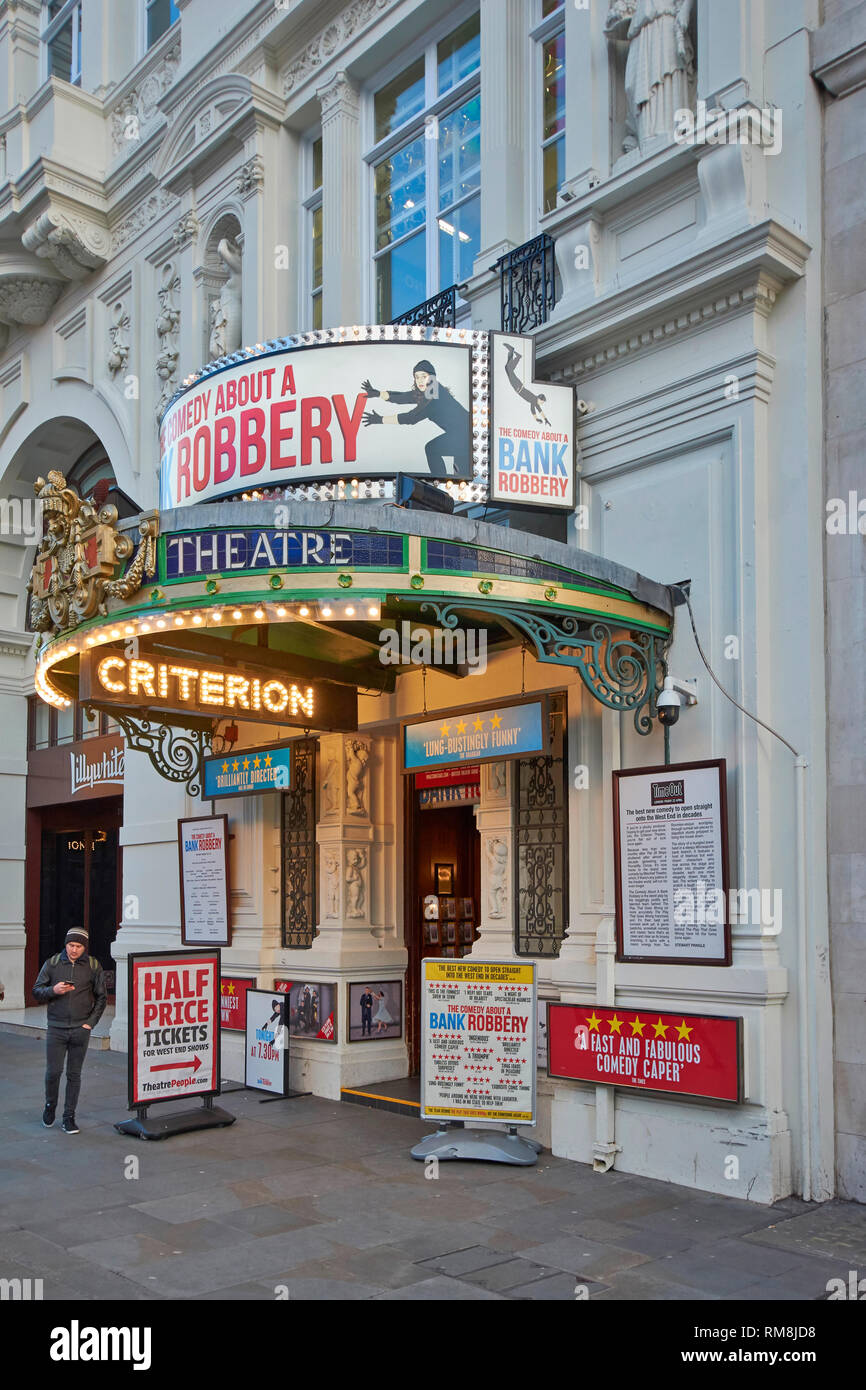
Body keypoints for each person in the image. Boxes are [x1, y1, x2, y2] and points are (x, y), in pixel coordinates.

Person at [32, 928, 106, 1134]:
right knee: (53, 1072)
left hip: (81, 1029)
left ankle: (69, 1117)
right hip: (56, 1028)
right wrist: (53, 990)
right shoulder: (53, 963)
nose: (74, 950)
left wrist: (90, 1023)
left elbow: (101, 998)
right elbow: (36, 991)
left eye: (79, 946)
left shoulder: (93, 966)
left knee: (74, 1074)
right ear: (66, 945)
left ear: (85, 947)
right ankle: (50, 1107)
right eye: (71, 945)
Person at [361, 360, 471, 477]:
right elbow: (402, 397)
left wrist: (380, 419)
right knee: (459, 474)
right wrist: (378, 393)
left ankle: (438, 481)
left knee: (432, 449)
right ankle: (441, 481)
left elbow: (411, 418)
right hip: (461, 437)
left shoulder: (434, 394)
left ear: (432, 377)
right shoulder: (428, 392)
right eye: (417, 377)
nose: (420, 381)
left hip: (465, 435)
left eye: (424, 376)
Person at [503, 342, 552, 426]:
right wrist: (537, 419)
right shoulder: (534, 400)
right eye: (542, 402)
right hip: (518, 386)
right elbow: (533, 410)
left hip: (518, 387)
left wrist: (545, 419)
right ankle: (513, 352)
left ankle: (516, 356)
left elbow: (540, 411)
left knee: (508, 369)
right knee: (508, 369)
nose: (542, 404)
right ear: (540, 399)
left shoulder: (535, 401)